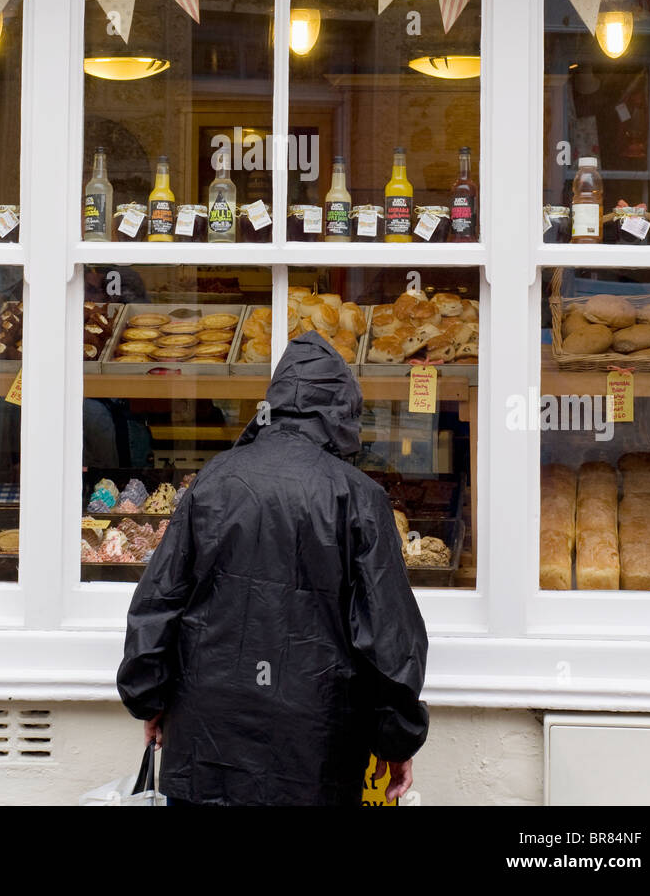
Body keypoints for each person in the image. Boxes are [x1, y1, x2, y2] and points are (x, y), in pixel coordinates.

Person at [116, 330, 429, 807]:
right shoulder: (358, 497)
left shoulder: (216, 479)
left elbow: (157, 603)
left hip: (206, 748)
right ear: (342, 410)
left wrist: (150, 697)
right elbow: (389, 638)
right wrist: (395, 740)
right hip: (314, 754)